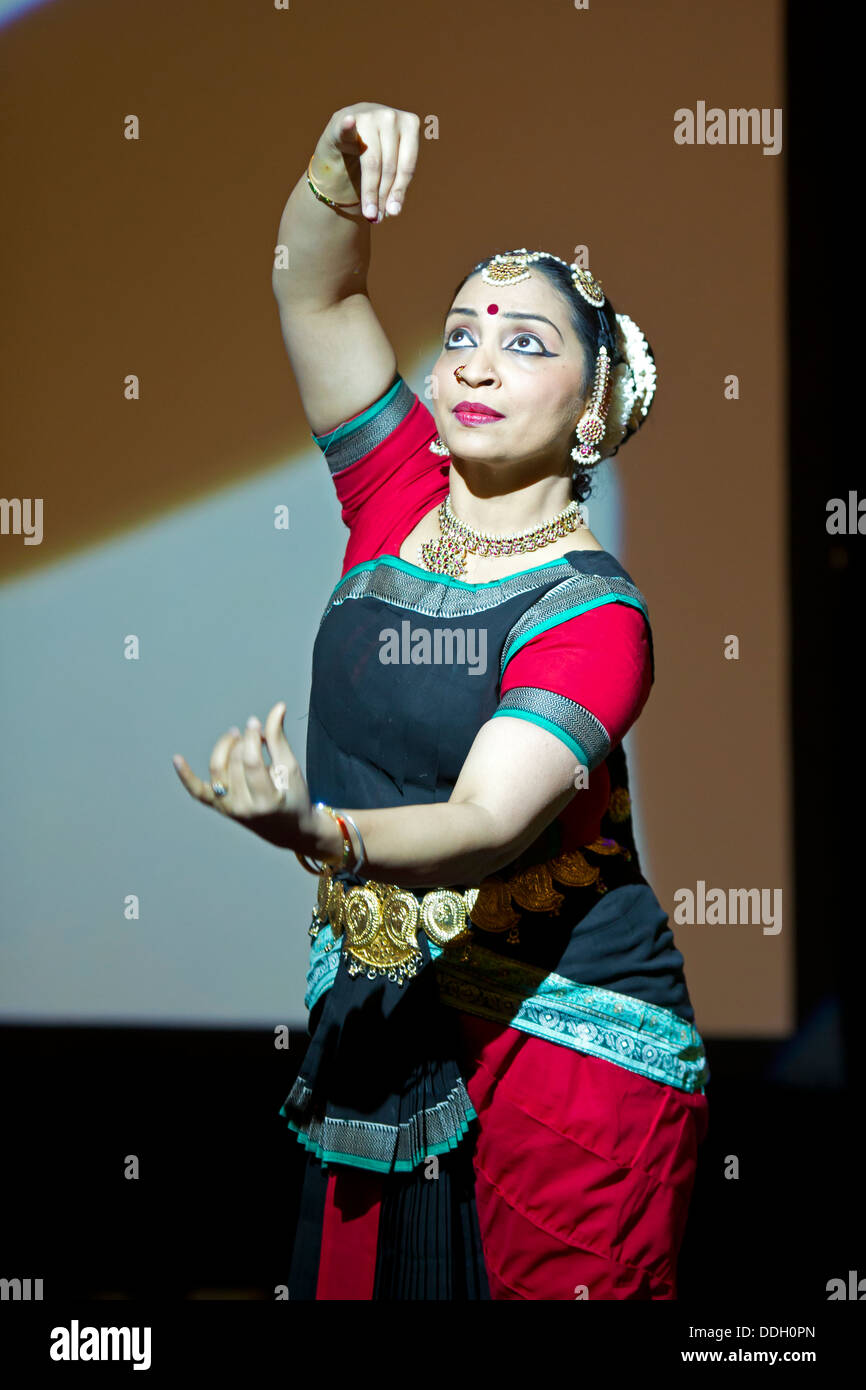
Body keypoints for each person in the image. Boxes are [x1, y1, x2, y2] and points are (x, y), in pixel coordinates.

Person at [173, 101, 709, 1301]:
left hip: (569, 1053)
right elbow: (315, 295)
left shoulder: (593, 614)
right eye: (460, 328)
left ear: (593, 410)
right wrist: (326, 172)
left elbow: (479, 824)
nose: (471, 355)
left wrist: (322, 833)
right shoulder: (394, 491)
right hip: (384, 1018)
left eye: (523, 342)